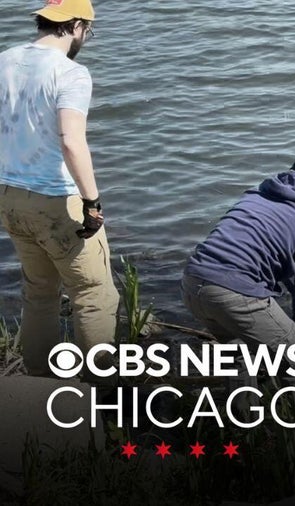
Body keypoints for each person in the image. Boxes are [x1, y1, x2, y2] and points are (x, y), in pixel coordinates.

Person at [182, 143, 295, 430]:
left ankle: (244, 427)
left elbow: (272, 255)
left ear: (293, 169)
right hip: (233, 291)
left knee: (238, 352)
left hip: (193, 281)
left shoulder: (259, 193)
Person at [0, 0, 119, 377]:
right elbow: (71, 141)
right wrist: (92, 201)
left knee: (39, 293)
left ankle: (40, 382)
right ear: (78, 25)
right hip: (55, 198)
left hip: (8, 195)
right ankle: (100, 388)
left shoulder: (4, 60)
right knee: (93, 295)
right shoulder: (71, 73)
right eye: (89, 31)